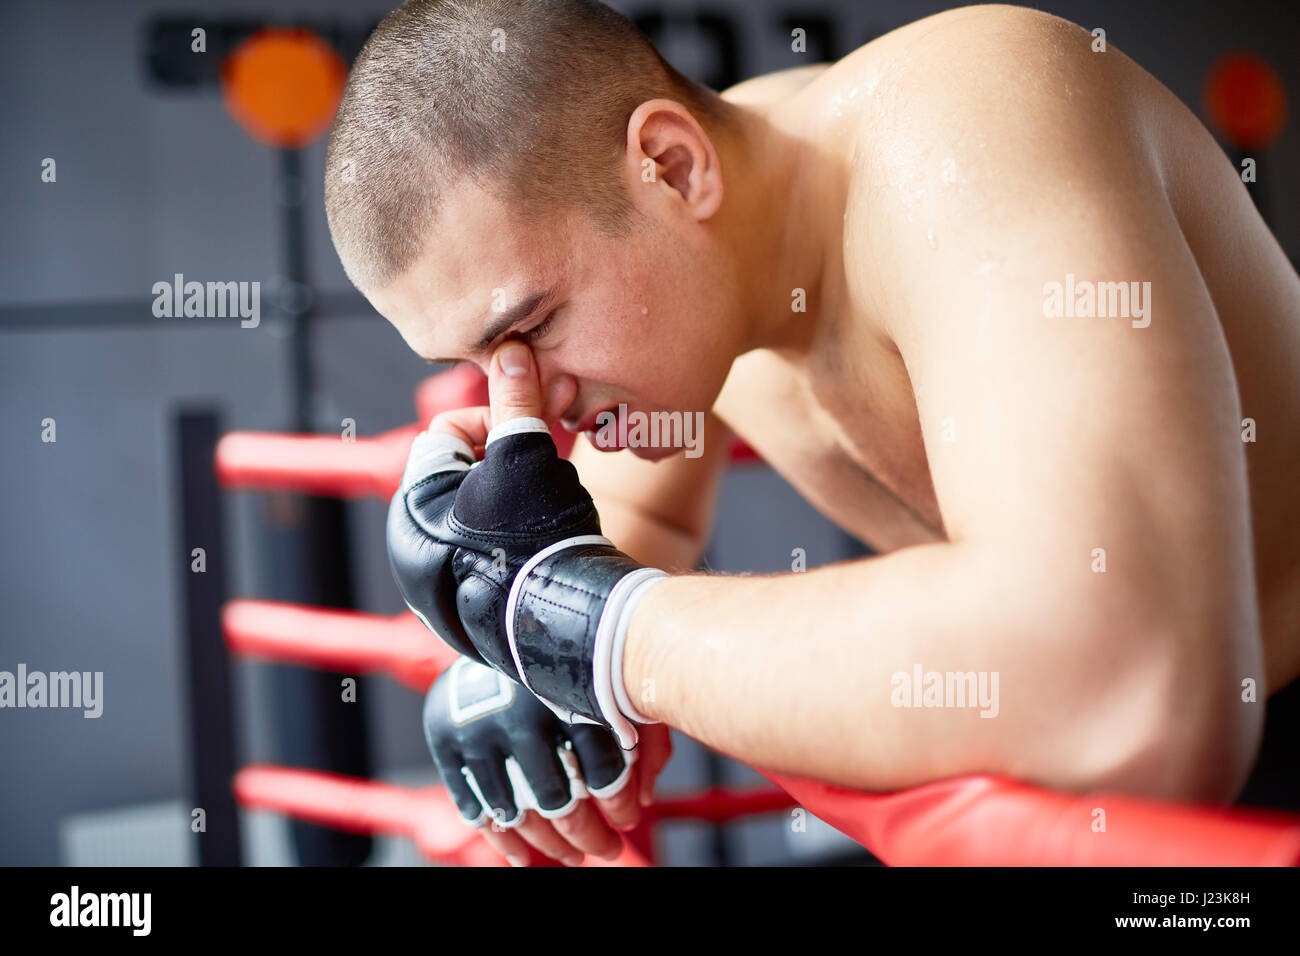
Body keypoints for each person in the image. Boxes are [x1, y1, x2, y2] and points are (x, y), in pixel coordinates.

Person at [326, 0, 1300, 866]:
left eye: (530, 329)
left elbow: (1128, 683)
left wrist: (599, 629)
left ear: (670, 164)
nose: (523, 403)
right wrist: (516, 655)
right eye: (480, 359)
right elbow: (617, 547)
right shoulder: (700, 284)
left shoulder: (958, 125)